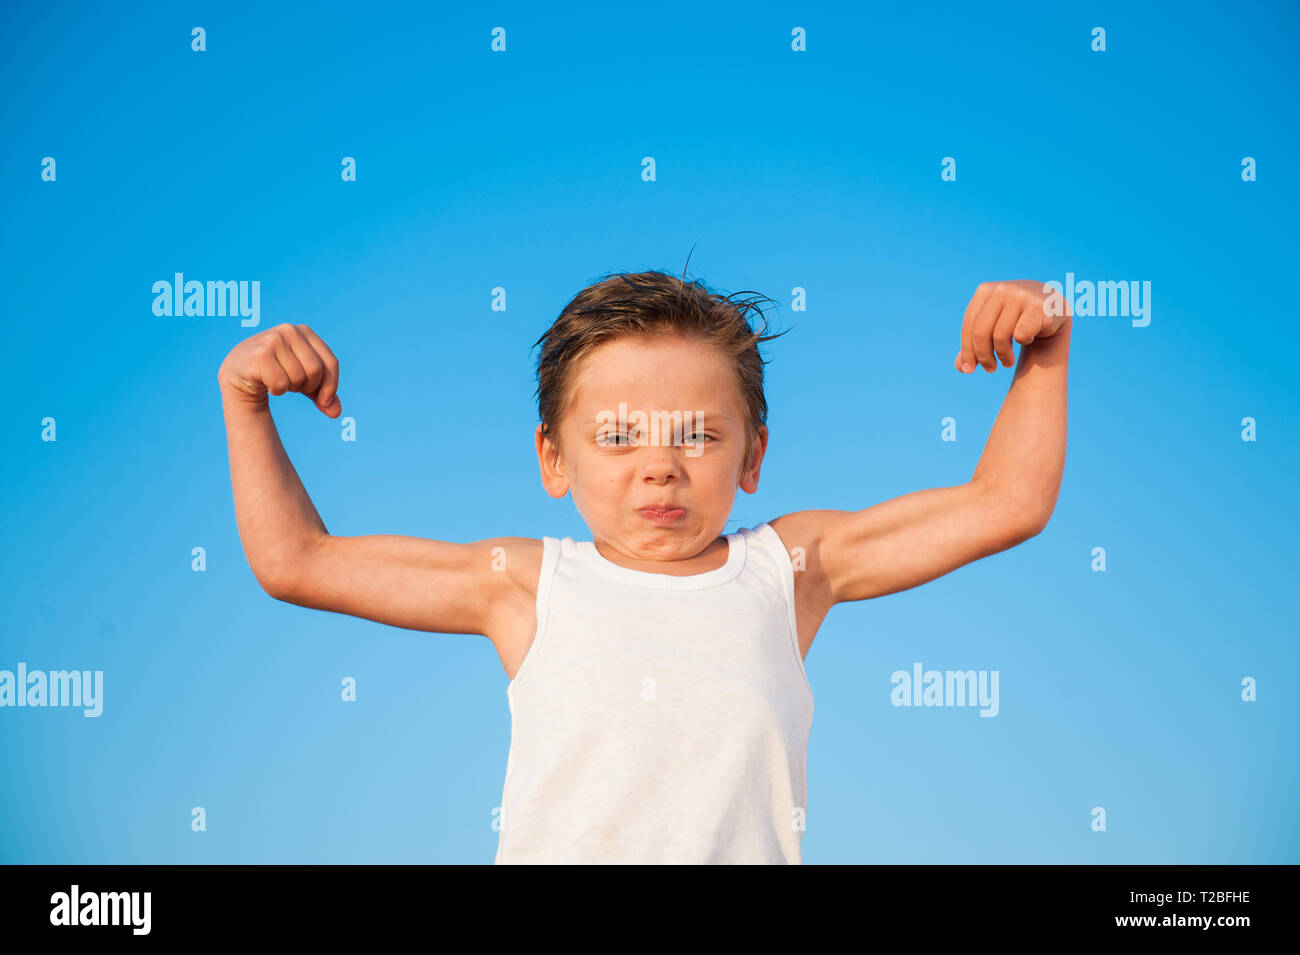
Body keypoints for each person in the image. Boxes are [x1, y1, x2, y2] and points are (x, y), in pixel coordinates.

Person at [215, 268, 1071, 864]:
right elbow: (298, 560)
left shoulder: (790, 568)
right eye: (617, 435)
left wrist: (1044, 345)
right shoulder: (524, 582)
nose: (660, 464)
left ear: (753, 455)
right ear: (553, 460)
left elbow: (1006, 501)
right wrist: (245, 401)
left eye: (698, 433)